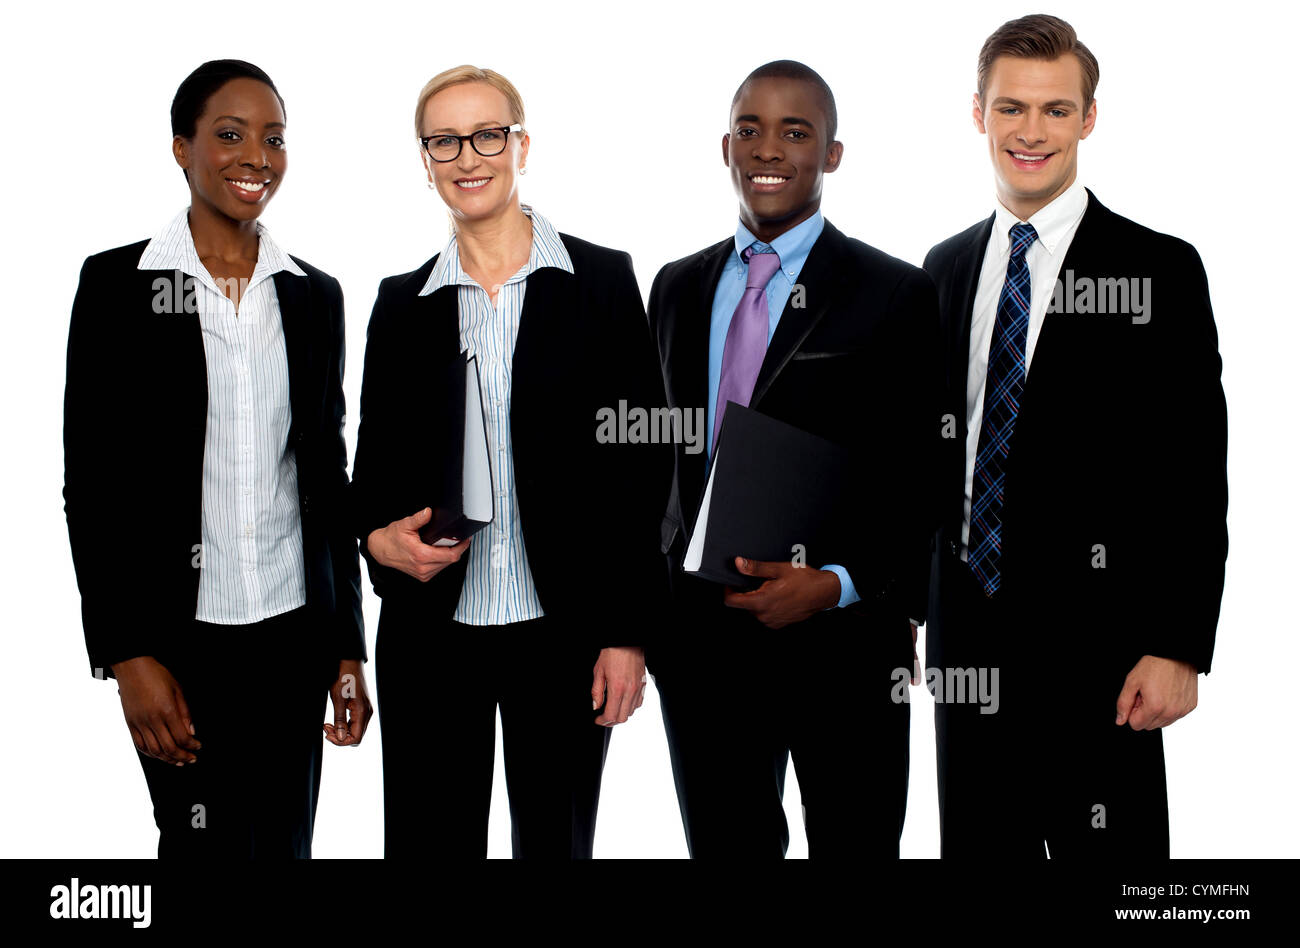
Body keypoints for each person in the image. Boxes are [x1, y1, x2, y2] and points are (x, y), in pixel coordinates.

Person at [921, 14, 1228, 858]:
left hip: (1103, 654)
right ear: (977, 114)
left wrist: (1177, 645)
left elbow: (1194, 471)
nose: (1032, 132)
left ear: (1089, 119)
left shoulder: (1159, 269)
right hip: (966, 646)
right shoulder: (942, 269)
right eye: (1012, 108)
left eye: (1056, 110)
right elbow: (930, 456)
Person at [351, 65, 669, 859]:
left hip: (562, 633)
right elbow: (372, 474)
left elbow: (645, 470)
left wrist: (627, 634)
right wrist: (376, 542)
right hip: (433, 636)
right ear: (423, 161)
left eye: (487, 134)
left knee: (555, 845)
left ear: (522, 145)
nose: (469, 156)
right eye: (444, 141)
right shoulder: (400, 304)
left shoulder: (601, 280)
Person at [63, 59, 371, 858]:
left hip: (291, 638)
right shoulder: (118, 288)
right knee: (200, 845)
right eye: (230, 135)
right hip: (177, 643)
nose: (256, 157)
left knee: (283, 850)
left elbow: (325, 478)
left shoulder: (313, 295)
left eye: (273, 139)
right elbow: (90, 486)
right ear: (181, 148)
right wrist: (127, 652)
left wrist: (346, 648)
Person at [646, 61, 941, 858]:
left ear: (832, 155)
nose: (768, 148)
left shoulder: (896, 293)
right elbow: (659, 469)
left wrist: (840, 583)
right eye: (750, 129)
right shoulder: (675, 288)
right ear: (725, 147)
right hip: (704, 645)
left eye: (795, 131)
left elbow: (923, 477)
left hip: (841, 642)